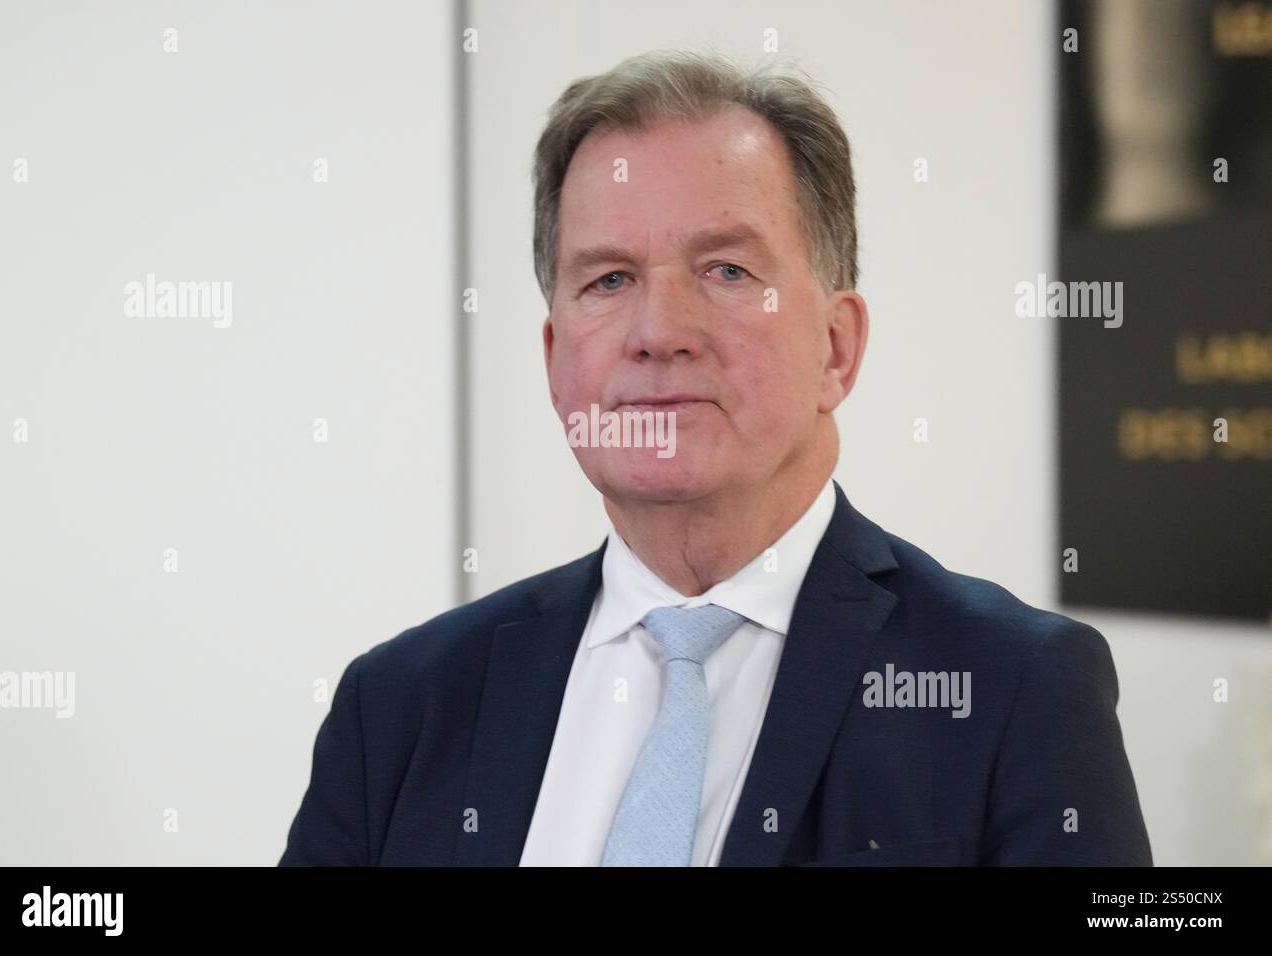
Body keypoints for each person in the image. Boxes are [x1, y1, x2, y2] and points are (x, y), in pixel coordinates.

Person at [279, 50, 1151, 867]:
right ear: (554, 361)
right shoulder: (398, 707)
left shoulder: (1012, 692)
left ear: (837, 349)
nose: (660, 333)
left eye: (727, 270)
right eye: (608, 280)